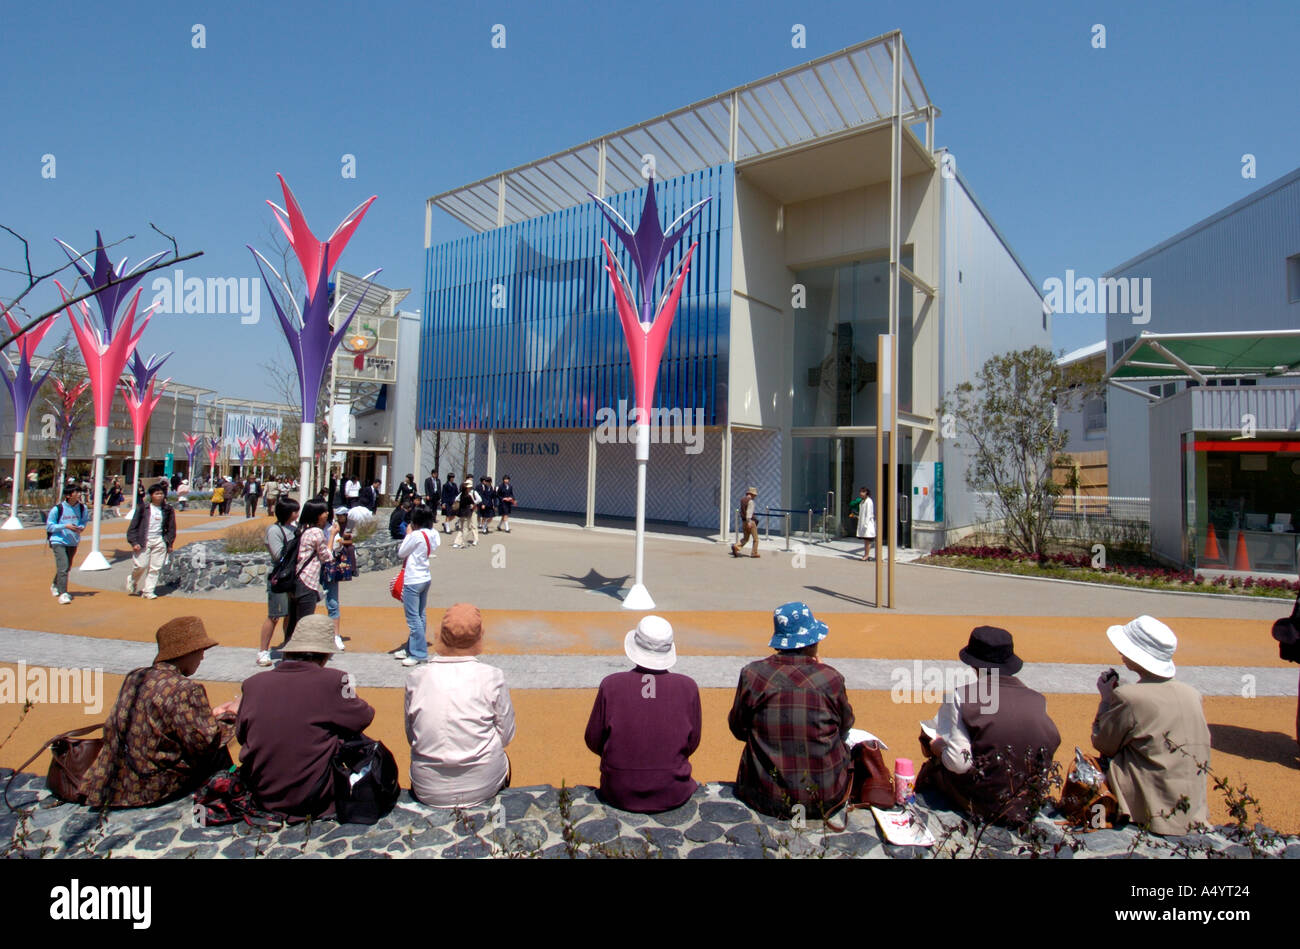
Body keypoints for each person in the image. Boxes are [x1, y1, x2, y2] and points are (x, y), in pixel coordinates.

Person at [82, 616, 237, 807]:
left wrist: (212, 714)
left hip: (118, 779)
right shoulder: (185, 689)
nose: (202, 657)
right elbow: (205, 743)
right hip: (149, 785)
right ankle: (232, 793)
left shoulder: (136, 676)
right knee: (219, 756)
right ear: (187, 652)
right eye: (201, 651)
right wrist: (231, 715)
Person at [916, 626, 1061, 826]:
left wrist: (937, 747)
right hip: (1028, 802)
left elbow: (959, 763)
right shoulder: (1037, 699)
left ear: (974, 665)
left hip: (985, 803)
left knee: (932, 762)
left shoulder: (962, 696)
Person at [236, 616, 376, 819]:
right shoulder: (335, 679)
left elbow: (242, 735)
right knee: (352, 738)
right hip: (314, 798)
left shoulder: (253, 684)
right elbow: (364, 716)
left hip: (262, 794)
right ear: (326, 654)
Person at [728, 602, 854, 818]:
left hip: (765, 796)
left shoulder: (752, 675)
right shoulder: (831, 678)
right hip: (825, 798)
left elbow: (739, 729)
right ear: (812, 642)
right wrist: (821, 670)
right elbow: (846, 725)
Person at [1091, 615, 1211, 836]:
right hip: (1191, 804)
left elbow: (1103, 742)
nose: (1121, 652)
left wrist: (1106, 699)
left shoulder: (1128, 697)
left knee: (1090, 768)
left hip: (1151, 802)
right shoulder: (1192, 694)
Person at [584, 615, 701, 812]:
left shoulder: (611, 685)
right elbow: (692, 742)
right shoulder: (687, 687)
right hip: (674, 790)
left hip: (617, 791)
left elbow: (593, 739)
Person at [404, 603, 515, 807]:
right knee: (504, 758)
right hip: (483, 782)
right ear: (479, 636)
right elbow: (506, 735)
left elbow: (412, 735)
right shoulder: (492, 677)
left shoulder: (416, 678)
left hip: (427, 787)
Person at [394, 505, 440, 667]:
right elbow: (434, 544)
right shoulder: (432, 534)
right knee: (420, 615)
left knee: (413, 618)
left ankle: (419, 653)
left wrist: (408, 534)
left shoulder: (415, 535)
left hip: (413, 579)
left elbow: (401, 552)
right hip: (425, 577)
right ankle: (411, 648)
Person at [284, 499, 333, 642]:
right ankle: (301, 656)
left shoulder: (301, 530)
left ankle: (289, 654)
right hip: (308, 581)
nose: (327, 514)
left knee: (293, 622)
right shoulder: (316, 532)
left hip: (295, 580)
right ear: (316, 515)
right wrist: (333, 537)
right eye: (324, 512)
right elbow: (326, 556)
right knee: (305, 622)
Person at [258, 497, 299, 667]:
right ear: (288, 513)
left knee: (290, 614)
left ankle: (287, 645)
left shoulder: (295, 529)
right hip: (280, 577)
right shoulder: (275, 530)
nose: (297, 513)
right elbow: (277, 555)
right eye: (295, 511)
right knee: (274, 615)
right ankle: (263, 650)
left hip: (294, 577)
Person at [126, 481, 177, 600]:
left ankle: (148, 591)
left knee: (156, 567)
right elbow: (133, 526)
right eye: (157, 494)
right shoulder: (143, 508)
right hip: (144, 540)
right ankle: (132, 579)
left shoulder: (168, 509)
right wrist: (134, 542)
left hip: (159, 540)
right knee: (141, 565)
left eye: (161, 494)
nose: (160, 496)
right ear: (151, 495)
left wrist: (169, 543)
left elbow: (171, 527)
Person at [46, 483, 89, 605]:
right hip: (58, 541)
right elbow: (50, 526)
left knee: (66, 566)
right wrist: (65, 526)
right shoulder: (57, 509)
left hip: (73, 541)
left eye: (79, 492)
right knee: (64, 566)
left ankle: (55, 584)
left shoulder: (82, 508)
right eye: (76, 492)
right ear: (69, 495)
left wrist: (80, 527)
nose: (79, 494)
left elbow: (84, 520)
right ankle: (63, 593)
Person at [323, 507, 353, 653]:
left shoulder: (331, 528)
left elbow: (335, 548)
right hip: (313, 570)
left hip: (329, 569)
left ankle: (335, 635)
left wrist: (337, 538)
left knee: (333, 602)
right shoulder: (311, 531)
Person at [730, 487, 760, 558]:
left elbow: (743, 511)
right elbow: (749, 512)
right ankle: (754, 553)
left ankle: (736, 546)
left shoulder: (742, 500)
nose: (755, 496)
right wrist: (749, 522)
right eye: (754, 495)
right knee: (756, 539)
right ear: (752, 494)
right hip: (750, 522)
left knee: (745, 538)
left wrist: (746, 521)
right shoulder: (751, 501)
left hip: (743, 522)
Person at [452, 479, 481, 549]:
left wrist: (474, 504)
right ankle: (460, 542)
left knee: (473, 526)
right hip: (467, 512)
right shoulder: (465, 495)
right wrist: (471, 504)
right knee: (465, 528)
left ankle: (475, 539)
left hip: (471, 511)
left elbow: (479, 499)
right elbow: (456, 499)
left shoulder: (473, 492)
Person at [851, 486, 876, 560]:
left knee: (868, 540)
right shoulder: (862, 501)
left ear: (866, 493)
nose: (861, 493)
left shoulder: (869, 501)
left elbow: (868, 514)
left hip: (867, 524)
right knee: (866, 541)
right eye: (861, 492)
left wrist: (865, 524)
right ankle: (866, 554)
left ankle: (866, 555)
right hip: (863, 523)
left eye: (863, 492)